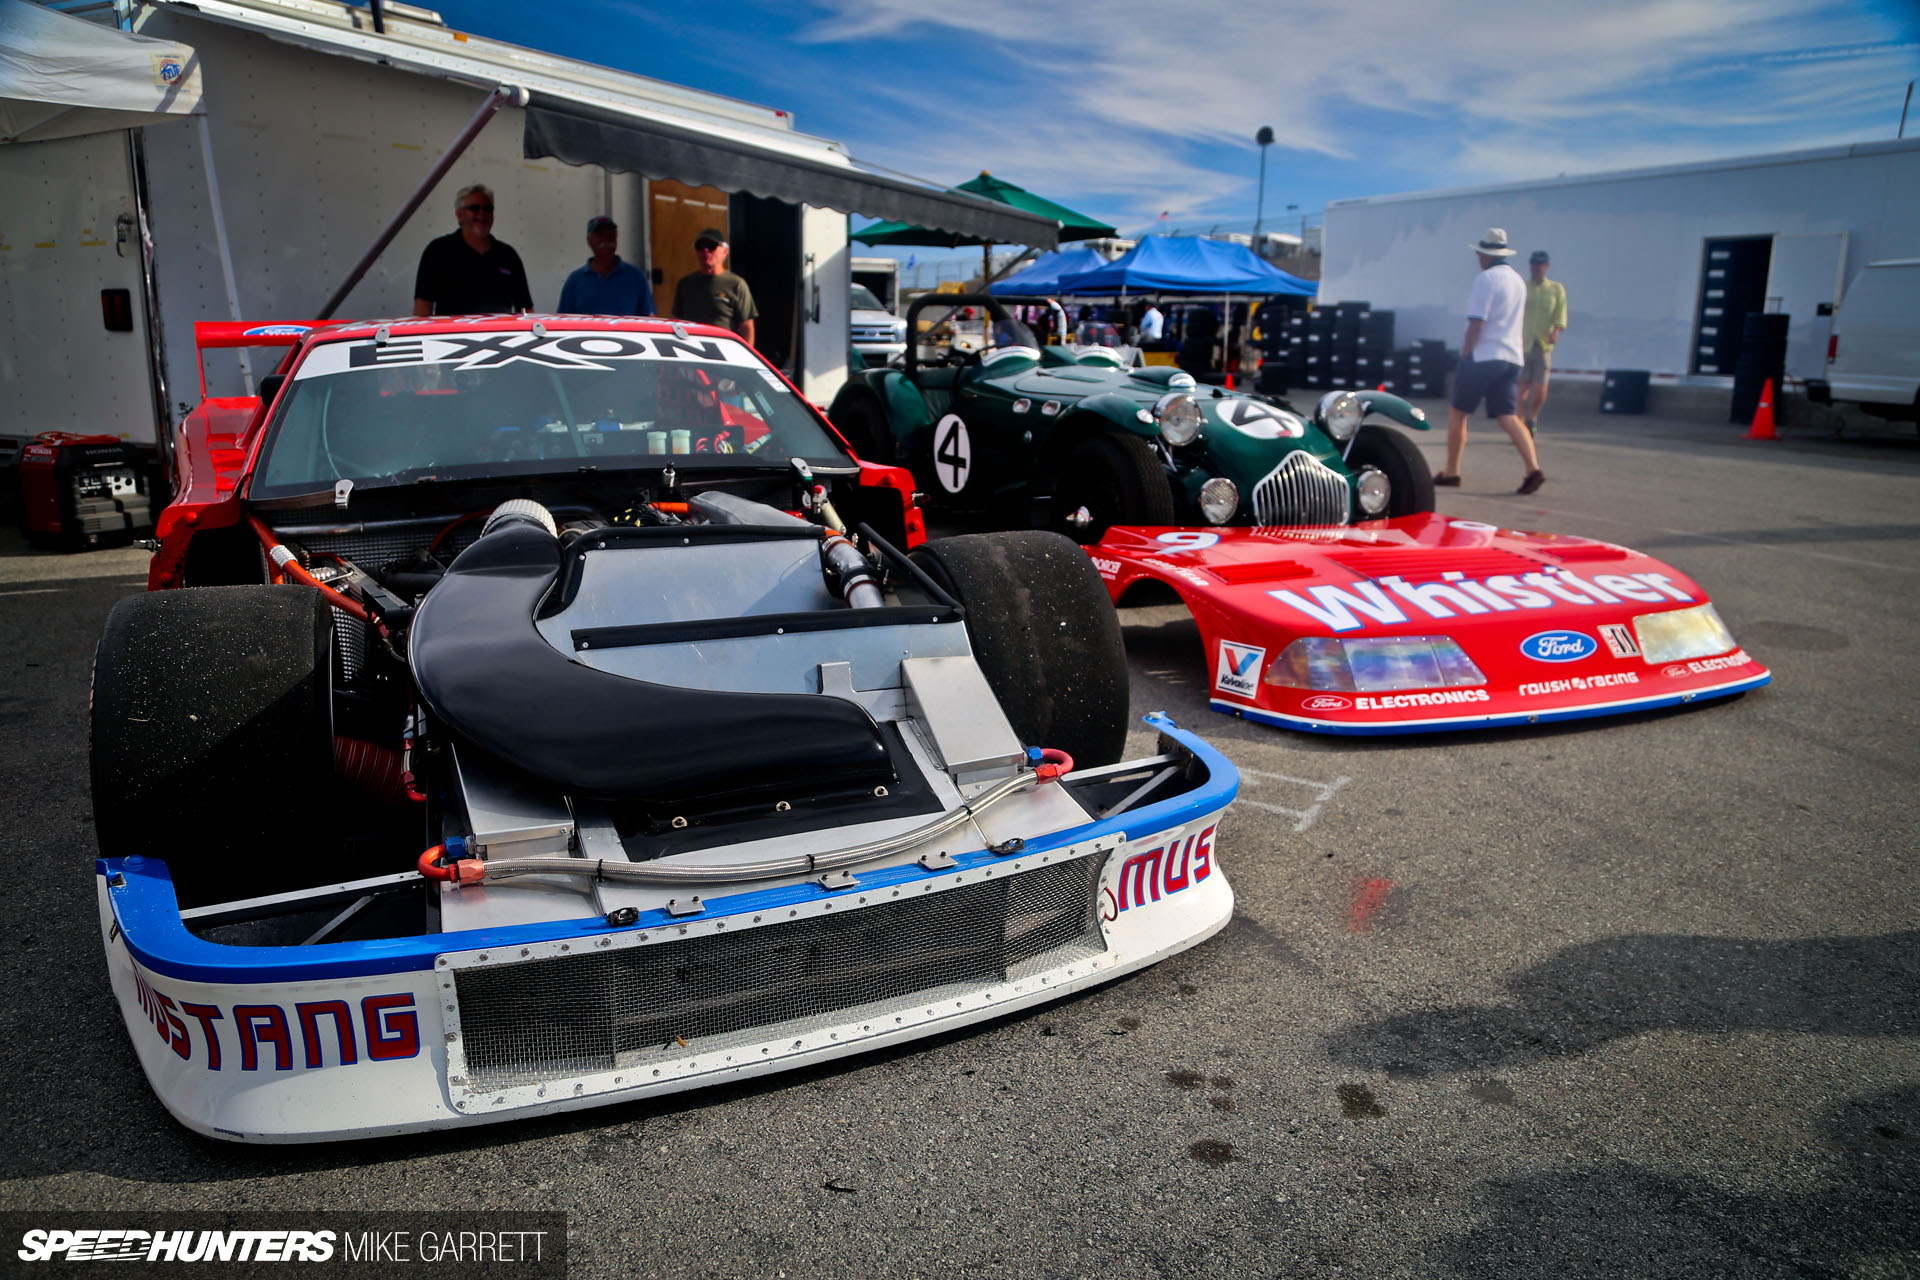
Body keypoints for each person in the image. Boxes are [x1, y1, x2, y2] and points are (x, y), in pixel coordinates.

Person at [1436, 227, 1543, 494]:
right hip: (1512, 357)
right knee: (1508, 417)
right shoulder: (1517, 280)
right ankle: (1533, 468)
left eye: (1479, 254)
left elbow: (1477, 322)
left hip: (1484, 356)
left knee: (1458, 414)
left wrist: (1466, 352)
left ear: (1484, 255)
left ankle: (1452, 471)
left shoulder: (1486, 279)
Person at [412, 183, 533, 317]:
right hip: (453, 330)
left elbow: (526, 308)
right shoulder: (438, 251)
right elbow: (423, 306)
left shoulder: (508, 255)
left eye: (487, 208)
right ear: (459, 214)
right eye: (474, 208)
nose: (482, 213)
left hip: (501, 330)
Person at [671, 227, 757, 347]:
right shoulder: (685, 284)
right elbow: (676, 323)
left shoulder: (736, 284)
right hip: (691, 349)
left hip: (724, 350)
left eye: (712, 246)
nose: (705, 251)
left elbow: (747, 327)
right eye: (700, 247)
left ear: (725, 252)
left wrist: (745, 355)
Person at [557, 215, 654, 316]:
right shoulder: (575, 280)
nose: (606, 240)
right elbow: (563, 319)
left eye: (610, 235)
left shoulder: (636, 277)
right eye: (599, 236)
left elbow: (650, 318)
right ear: (589, 241)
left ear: (616, 238)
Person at [1519, 249, 1568, 433]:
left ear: (1546, 266)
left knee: (1540, 389)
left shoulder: (1555, 289)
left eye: (1540, 264)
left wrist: (1556, 330)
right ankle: (1519, 423)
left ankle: (1532, 418)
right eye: (1533, 264)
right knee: (1521, 390)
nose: (1536, 267)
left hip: (1543, 345)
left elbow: (1560, 314)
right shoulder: (1522, 287)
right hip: (1523, 344)